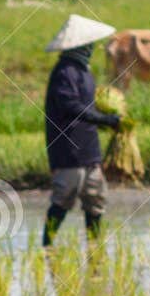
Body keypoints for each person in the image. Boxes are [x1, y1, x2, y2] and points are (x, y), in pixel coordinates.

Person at [41, 14, 122, 246]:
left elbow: (86, 107)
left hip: (88, 150)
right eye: (89, 44)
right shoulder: (64, 72)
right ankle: (47, 246)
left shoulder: (84, 72)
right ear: (80, 45)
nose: (92, 48)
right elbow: (72, 106)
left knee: (96, 199)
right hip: (68, 151)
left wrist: (105, 118)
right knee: (63, 198)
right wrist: (104, 119)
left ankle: (94, 246)